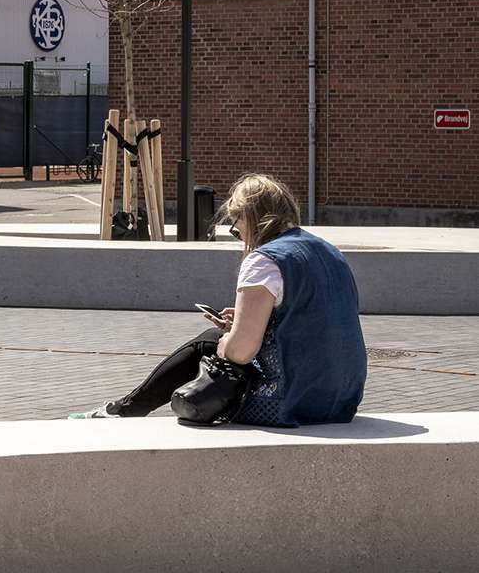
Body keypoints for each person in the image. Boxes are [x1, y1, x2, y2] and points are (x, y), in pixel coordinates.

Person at [80, 173, 364, 426]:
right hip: (340, 400)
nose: (237, 233)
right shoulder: (330, 252)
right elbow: (309, 319)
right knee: (222, 336)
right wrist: (248, 321)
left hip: (289, 402)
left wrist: (228, 338)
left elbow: (241, 353)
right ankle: (126, 409)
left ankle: (124, 412)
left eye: (236, 223)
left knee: (211, 340)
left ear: (251, 216)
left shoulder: (264, 260)